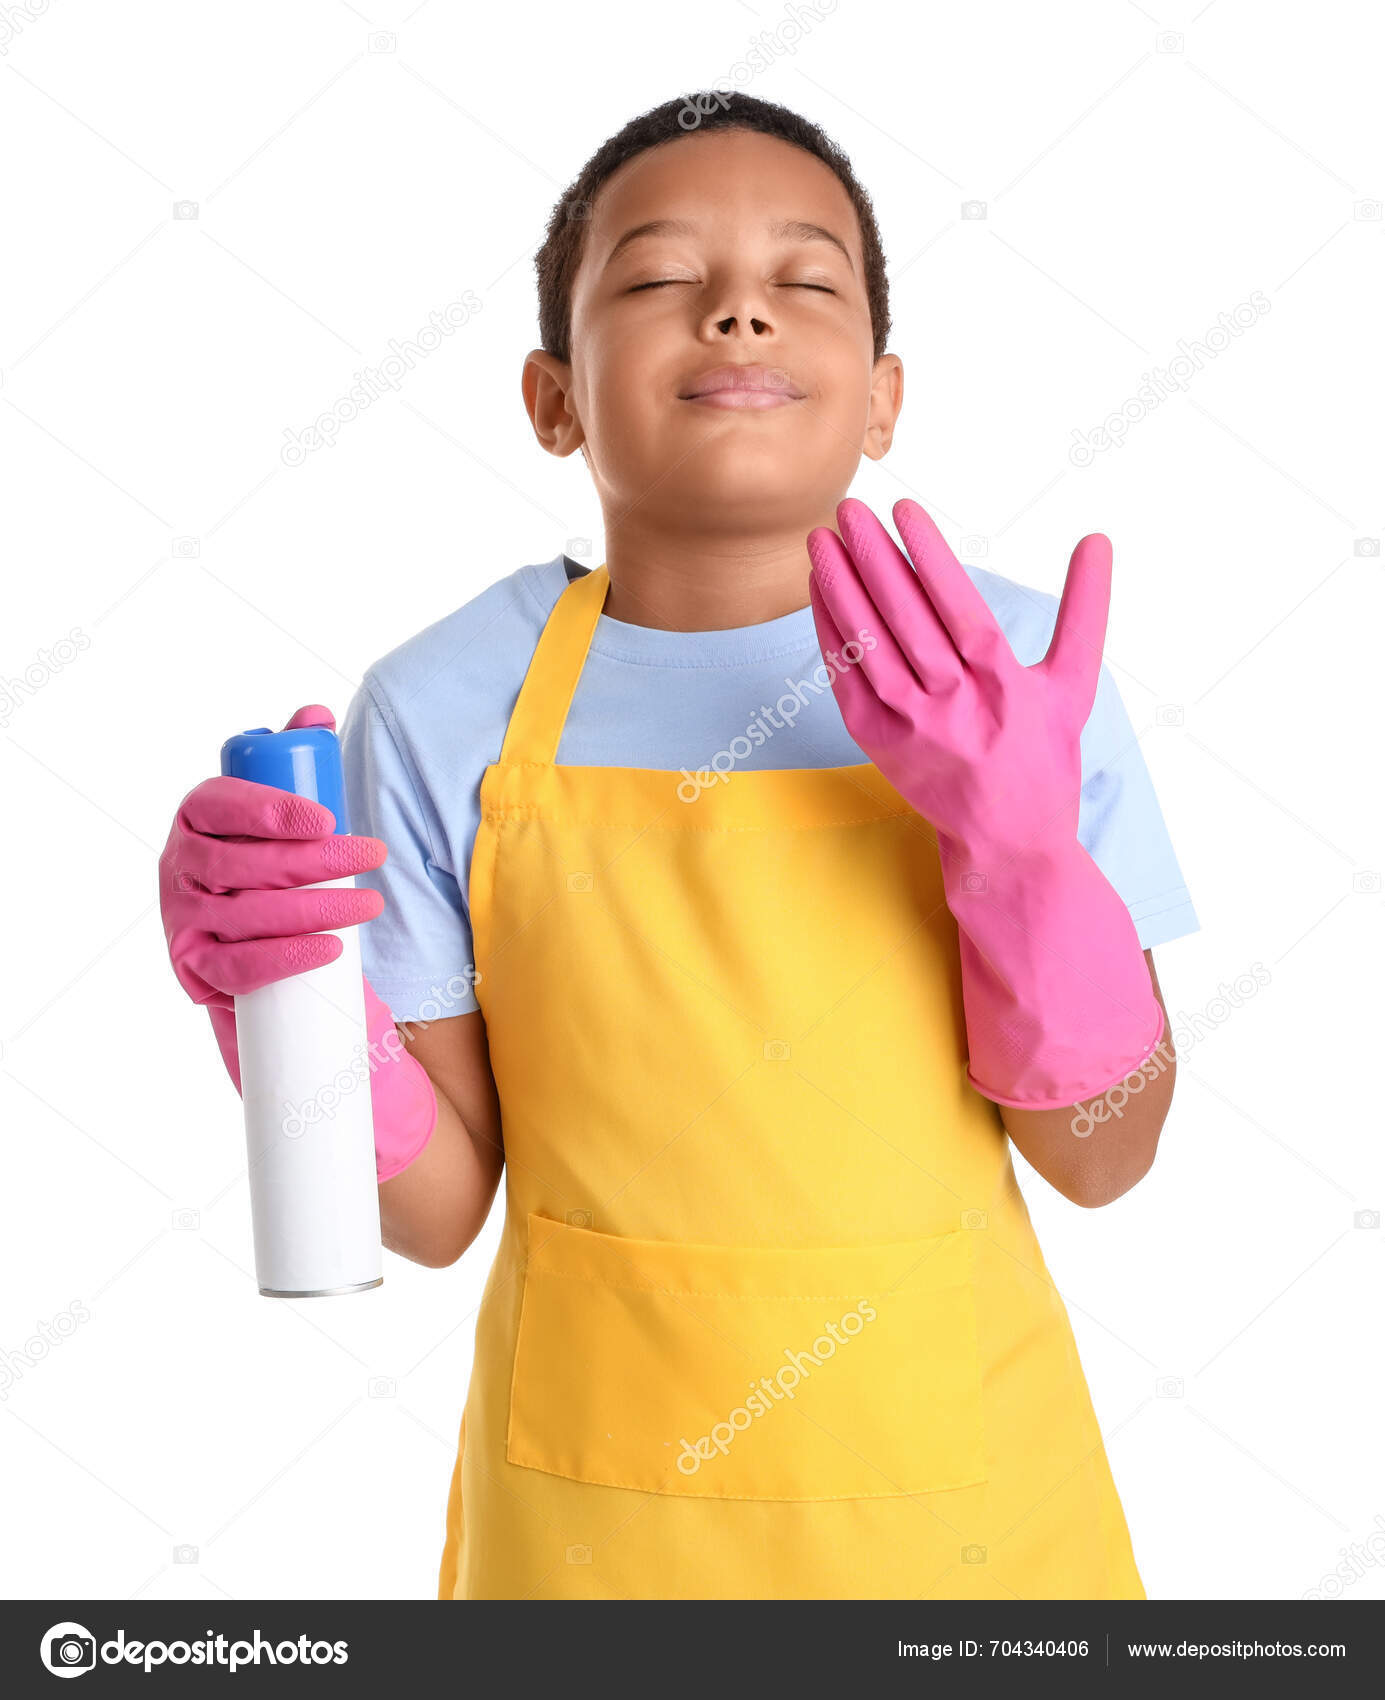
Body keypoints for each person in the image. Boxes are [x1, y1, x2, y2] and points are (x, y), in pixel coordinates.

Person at [160, 94, 1199, 1600]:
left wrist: (1025, 858)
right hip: (586, 1549)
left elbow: (1103, 1157)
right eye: (654, 280)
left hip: (961, 1543)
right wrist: (277, 999)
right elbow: (435, 1211)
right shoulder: (445, 701)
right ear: (553, 394)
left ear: (883, 396)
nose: (735, 311)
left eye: (807, 282)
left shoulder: (1013, 674)